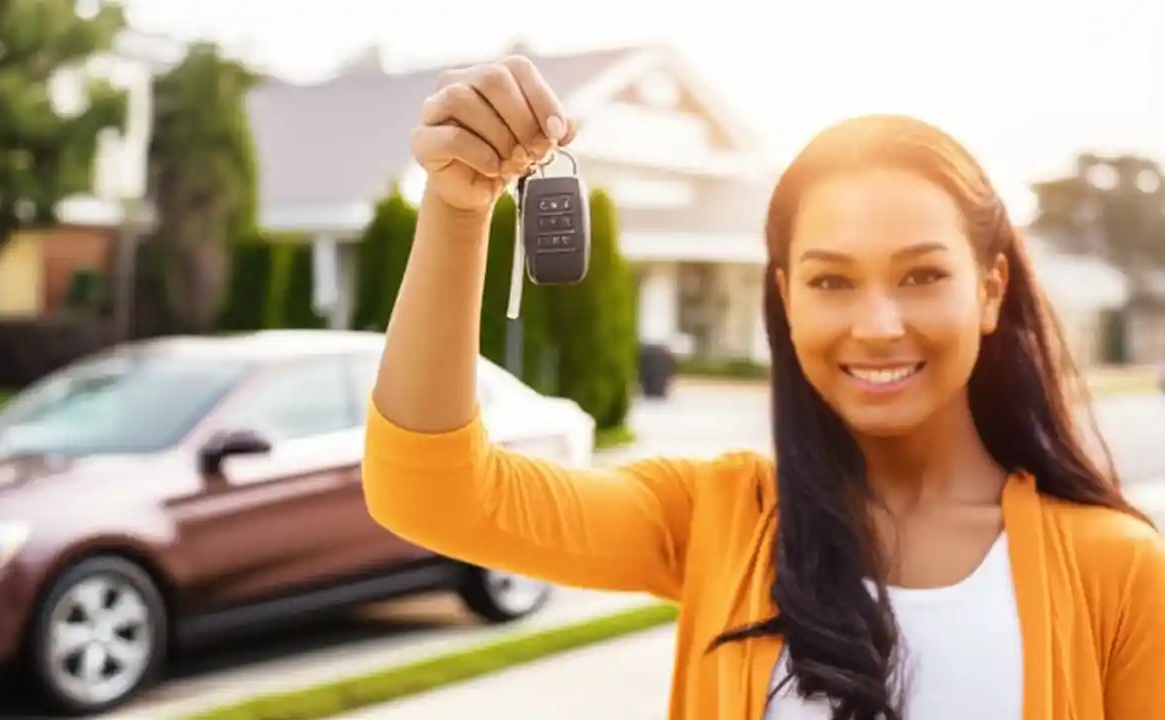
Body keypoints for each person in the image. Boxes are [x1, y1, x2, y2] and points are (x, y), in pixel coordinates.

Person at [361, 55, 1165, 720]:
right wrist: (458, 208)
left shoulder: (1118, 570)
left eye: (922, 275)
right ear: (785, 297)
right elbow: (432, 494)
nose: (878, 325)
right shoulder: (721, 519)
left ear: (990, 290)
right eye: (831, 280)